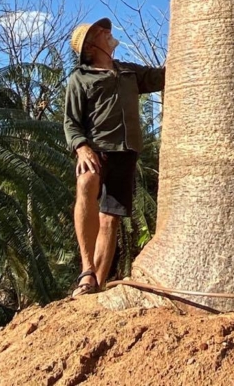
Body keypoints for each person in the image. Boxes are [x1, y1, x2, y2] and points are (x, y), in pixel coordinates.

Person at [64, 16, 165, 298]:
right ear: (90, 46)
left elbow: (164, 76)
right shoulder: (80, 78)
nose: (108, 32)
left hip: (127, 152)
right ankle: (86, 270)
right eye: (100, 31)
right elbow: (71, 121)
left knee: (110, 218)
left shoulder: (130, 72)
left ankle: (95, 283)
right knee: (86, 184)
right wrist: (81, 147)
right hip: (95, 149)